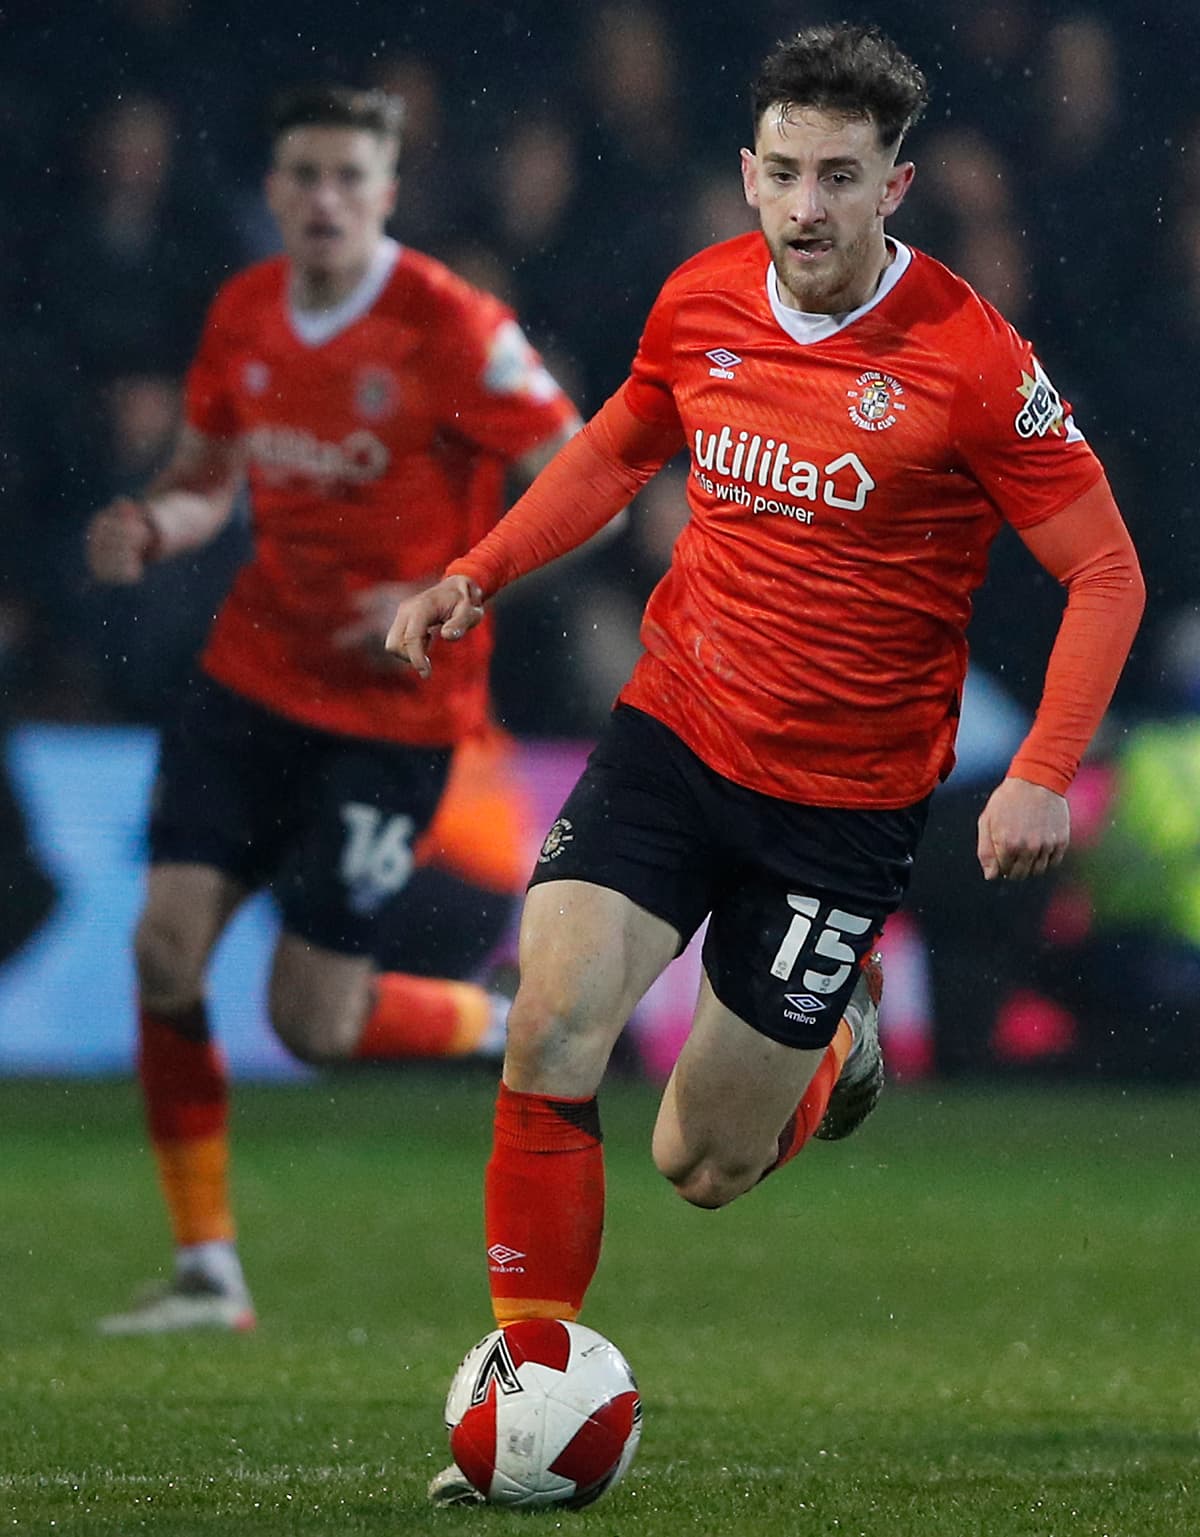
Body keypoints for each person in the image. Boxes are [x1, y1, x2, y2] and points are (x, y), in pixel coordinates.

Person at [383, 24, 1146, 1505]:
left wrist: (1043, 769)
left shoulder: (972, 361)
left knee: (701, 1162)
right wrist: (479, 571)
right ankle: (526, 1401)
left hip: (844, 808)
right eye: (783, 172)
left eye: (840, 178)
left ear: (896, 187)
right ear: (748, 170)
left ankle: (834, 1043)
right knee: (549, 1027)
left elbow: (1105, 571)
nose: (804, 207)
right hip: (674, 734)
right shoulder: (705, 297)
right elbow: (616, 450)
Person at [84, 85, 580, 1334]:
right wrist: (156, 521)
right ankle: (207, 1270)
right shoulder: (245, 312)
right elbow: (207, 480)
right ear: (275, 185)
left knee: (312, 1021)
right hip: (248, 680)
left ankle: (509, 1017)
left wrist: (454, 586)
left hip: (393, 717)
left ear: (388, 191)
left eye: (349, 177)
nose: (322, 200)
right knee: (161, 950)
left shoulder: (449, 326)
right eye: (303, 174)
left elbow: (580, 474)